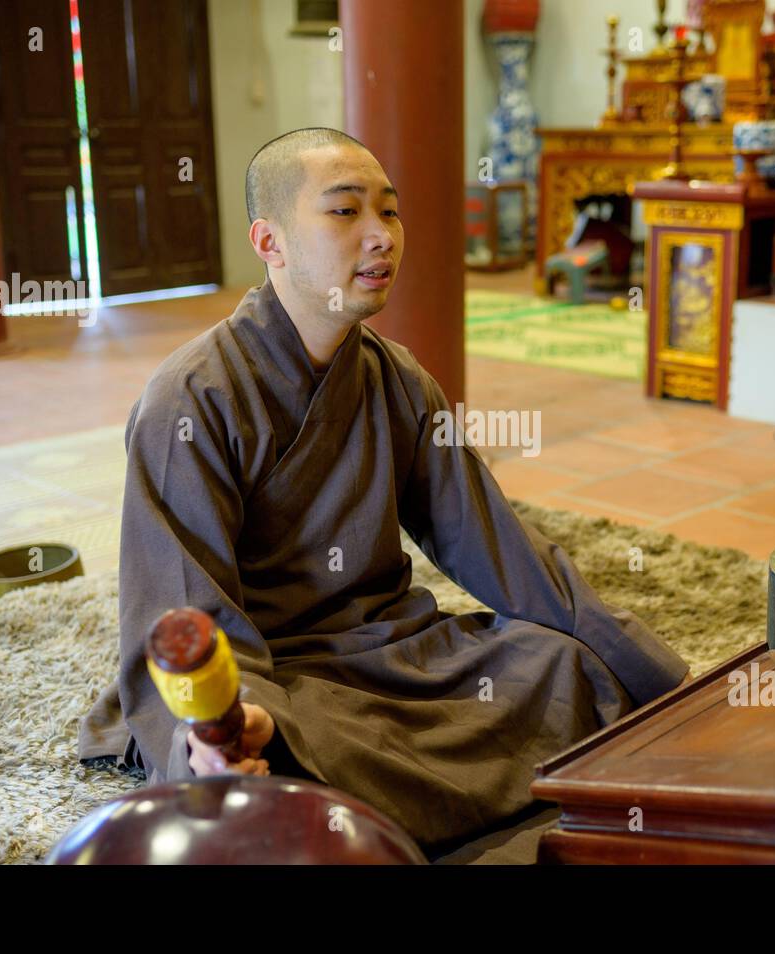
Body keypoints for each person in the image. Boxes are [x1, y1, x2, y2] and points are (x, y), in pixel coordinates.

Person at [78, 127, 690, 850]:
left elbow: (500, 548)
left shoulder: (399, 380)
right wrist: (225, 724)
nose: (381, 236)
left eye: (390, 212)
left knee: (571, 668)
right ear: (269, 241)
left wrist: (657, 675)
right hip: (274, 675)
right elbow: (180, 605)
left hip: (391, 652)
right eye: (345, 212)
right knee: (270, 767)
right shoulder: (189, 399)